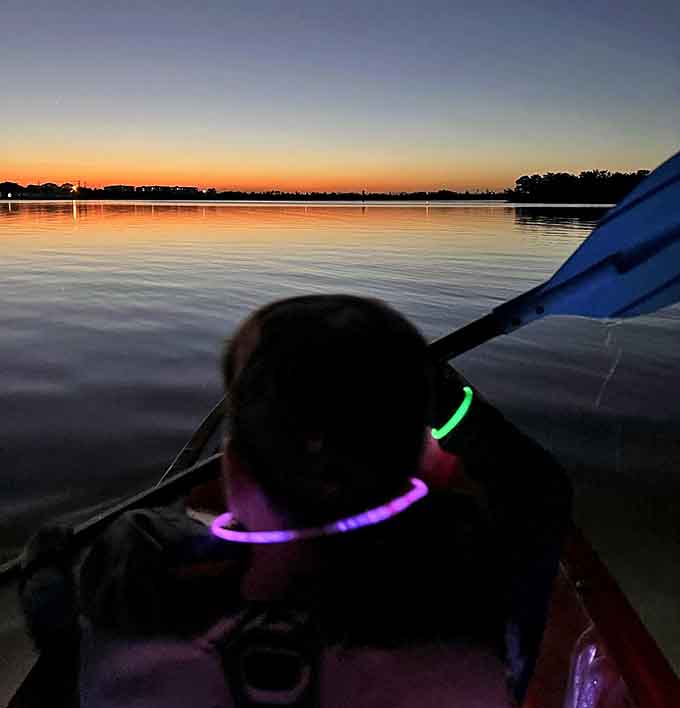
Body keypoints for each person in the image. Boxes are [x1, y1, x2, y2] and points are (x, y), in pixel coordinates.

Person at [21, 295, 572, 707]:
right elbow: (537, 490)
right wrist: (448, 400)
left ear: (232, 468)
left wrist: (54, 616)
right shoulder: (479, 606)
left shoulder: (123, 621)